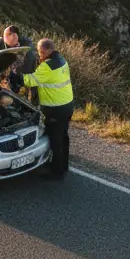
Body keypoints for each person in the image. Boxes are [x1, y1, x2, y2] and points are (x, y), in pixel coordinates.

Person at [22, 38, 74, 179]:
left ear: (46, 51)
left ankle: (56, 172)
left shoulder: (47, 66)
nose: (39, 55)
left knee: (55, 139)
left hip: (55, 108)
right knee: (63, 136)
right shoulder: (62, 60)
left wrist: (16, 75)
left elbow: (30, 80)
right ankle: (63, 165)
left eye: (40, 52)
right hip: (68, 105)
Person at [0, 25, 38, 102]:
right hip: (0, 72)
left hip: (21, 72)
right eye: (9, 46)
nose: (13, 48)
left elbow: (29, 68)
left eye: (15, 45)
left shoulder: (27, 45)